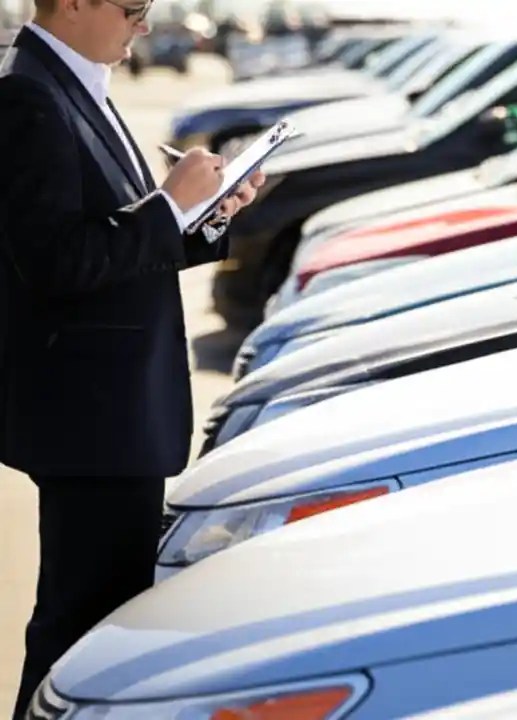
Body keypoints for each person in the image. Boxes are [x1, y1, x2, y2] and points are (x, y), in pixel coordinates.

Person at [0, 0, 266, 716]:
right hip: (91, 421)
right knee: (80, 631)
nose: (144, 26)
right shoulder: (29, 94)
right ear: (78, 3)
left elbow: (115, 244)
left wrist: (204, 215)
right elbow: (56, 262)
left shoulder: (76, 82)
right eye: (133, 8)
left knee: (95, 625)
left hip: (114, 413)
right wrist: (165, 205)